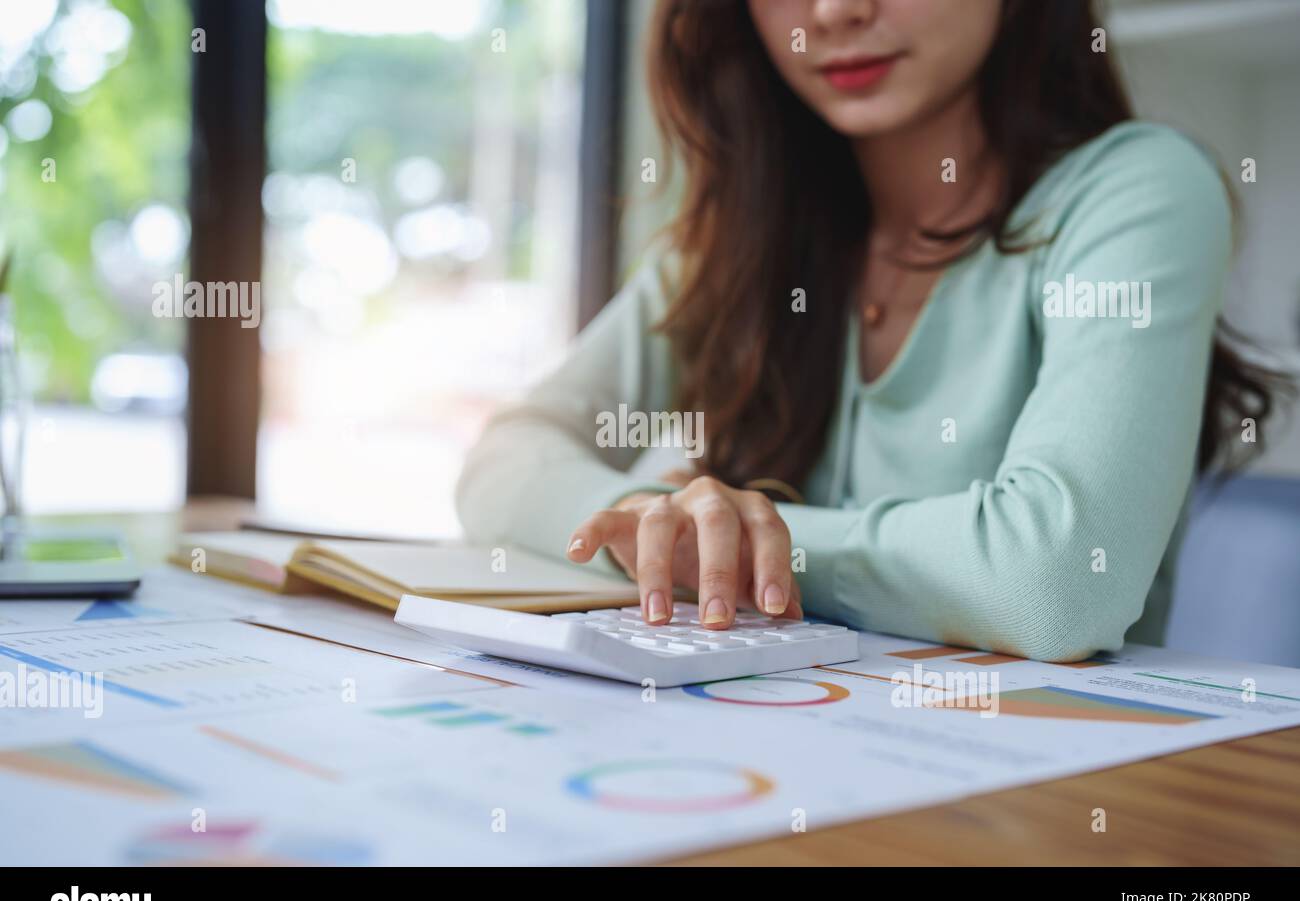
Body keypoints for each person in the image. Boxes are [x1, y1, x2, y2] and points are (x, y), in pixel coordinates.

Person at [457, 0, 1284, 662]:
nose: (836, 10)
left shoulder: (1138, 189)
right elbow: (501, 464)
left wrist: (754, 546)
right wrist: (651, 525)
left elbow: (1059, 581)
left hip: (1044, 794)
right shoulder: (738, 241)